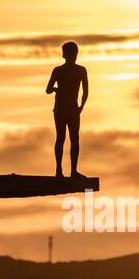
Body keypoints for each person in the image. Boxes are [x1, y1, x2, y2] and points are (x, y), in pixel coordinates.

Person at [46, 41, 88, 177]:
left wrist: (81, 106)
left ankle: (67, 171)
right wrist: (80, 107)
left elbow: (48, 90)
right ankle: (63, 171)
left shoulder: (61, 70)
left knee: (66, 138)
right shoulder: (77, 70)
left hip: (67, 109)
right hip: (67, 109)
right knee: (67, 138)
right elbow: (48, 90)